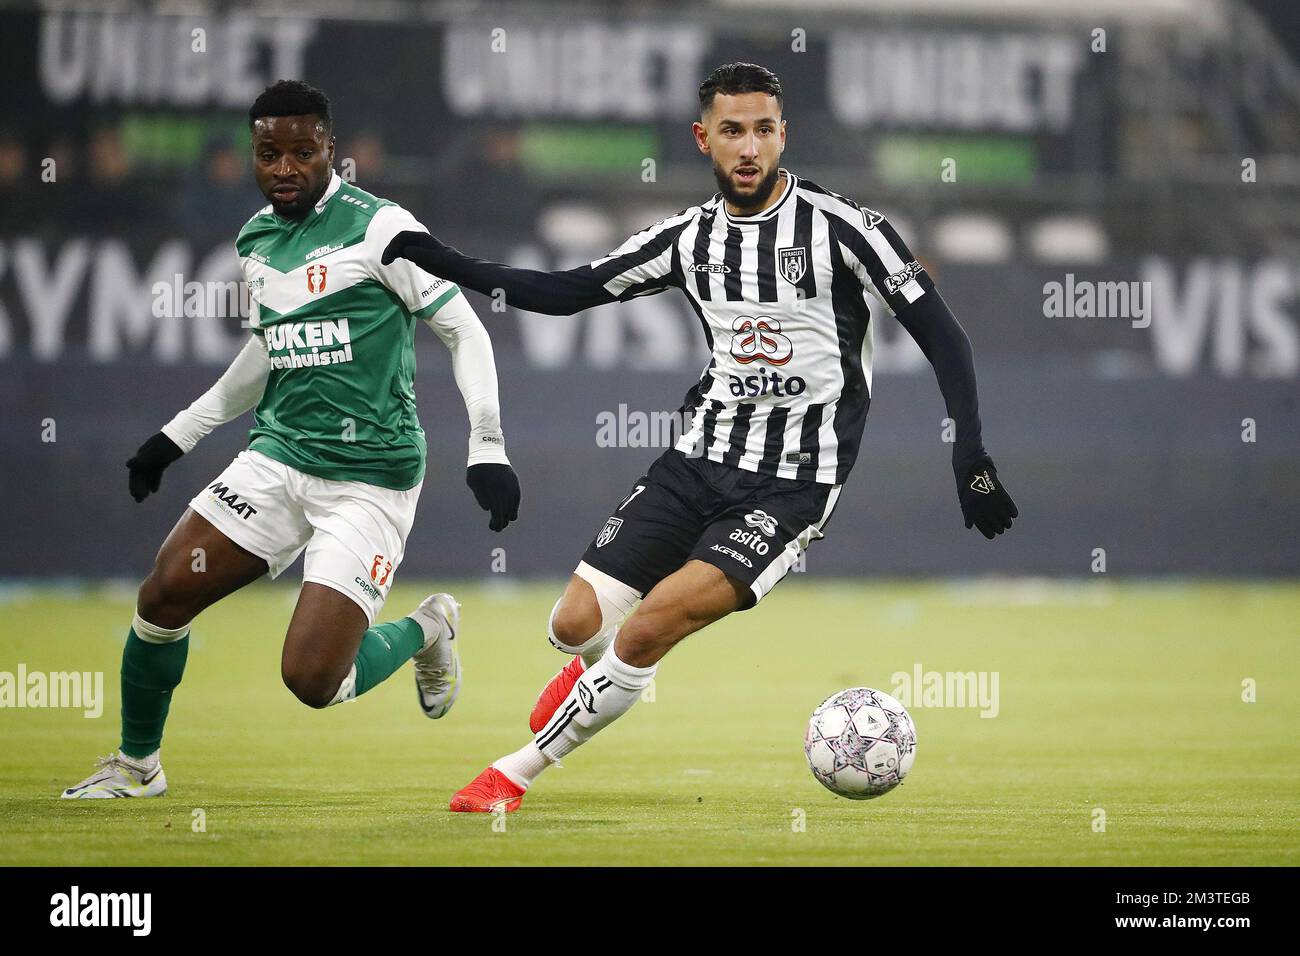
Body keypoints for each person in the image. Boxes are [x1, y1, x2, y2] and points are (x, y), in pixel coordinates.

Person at [385, 62, 1018, 813]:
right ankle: (595, 676)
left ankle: (514, 773)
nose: (748, 147)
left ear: (782, 135)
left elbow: (945, 338)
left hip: (791, 485)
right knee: (574, 623)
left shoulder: (846, 228)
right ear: (703, 139)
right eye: (731, 132)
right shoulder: (687, 238)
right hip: (697, 461)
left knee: (651, 625)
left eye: (762, 130)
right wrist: (442, 259)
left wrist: (969, 451)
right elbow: (565, 293)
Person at [62, 80, 520, 799]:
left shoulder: (381, 228)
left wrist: (487, 445)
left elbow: (464, 327)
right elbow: (270, 352)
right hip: (277, 457)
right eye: (269, 152)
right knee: (163, 596)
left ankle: (428, 630)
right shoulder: (256, 238)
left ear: (329, 151)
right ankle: (136, 766)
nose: (283, 167)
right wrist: (174, 437)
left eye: (301, 152)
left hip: (370, 478)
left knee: (313, 680)